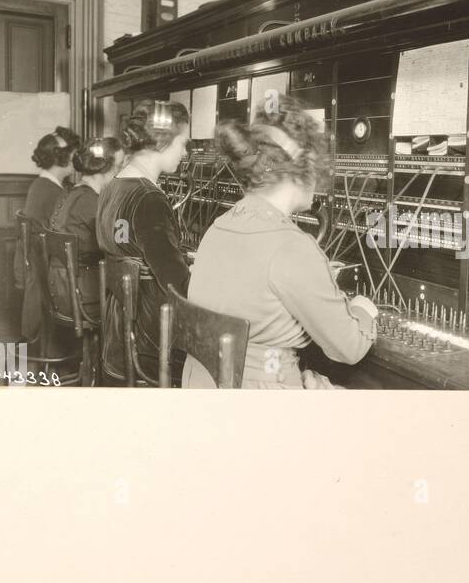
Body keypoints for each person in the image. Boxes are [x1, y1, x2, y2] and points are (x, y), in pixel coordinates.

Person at [186, 95, 377, 389]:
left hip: (202, 391)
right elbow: (349, 347)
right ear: (305, 166)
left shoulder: (217, 227)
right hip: (256, 410)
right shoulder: (292, 247)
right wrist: (364, 310)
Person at [97, 101, 192, 380]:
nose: (185, 153)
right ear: (162, 143)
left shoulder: (111, 187)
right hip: (154, 342)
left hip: (119, 334)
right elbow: (178, 284)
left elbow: (131, 249)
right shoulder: (149, 199)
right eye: (182, 144)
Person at [45, 137, 125, 323]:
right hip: (82, 299)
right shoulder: (90, 202)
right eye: (120, 166)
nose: (121, 172)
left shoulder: (70, 193)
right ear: (104, 169)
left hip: (61, 292)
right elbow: (122, 244)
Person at [18, 126, 81, 340]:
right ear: (61, 158)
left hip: (39, 278)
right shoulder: (54, 192)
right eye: (73, 155)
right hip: (51, 281)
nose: (76, 160)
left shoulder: (39, 185)